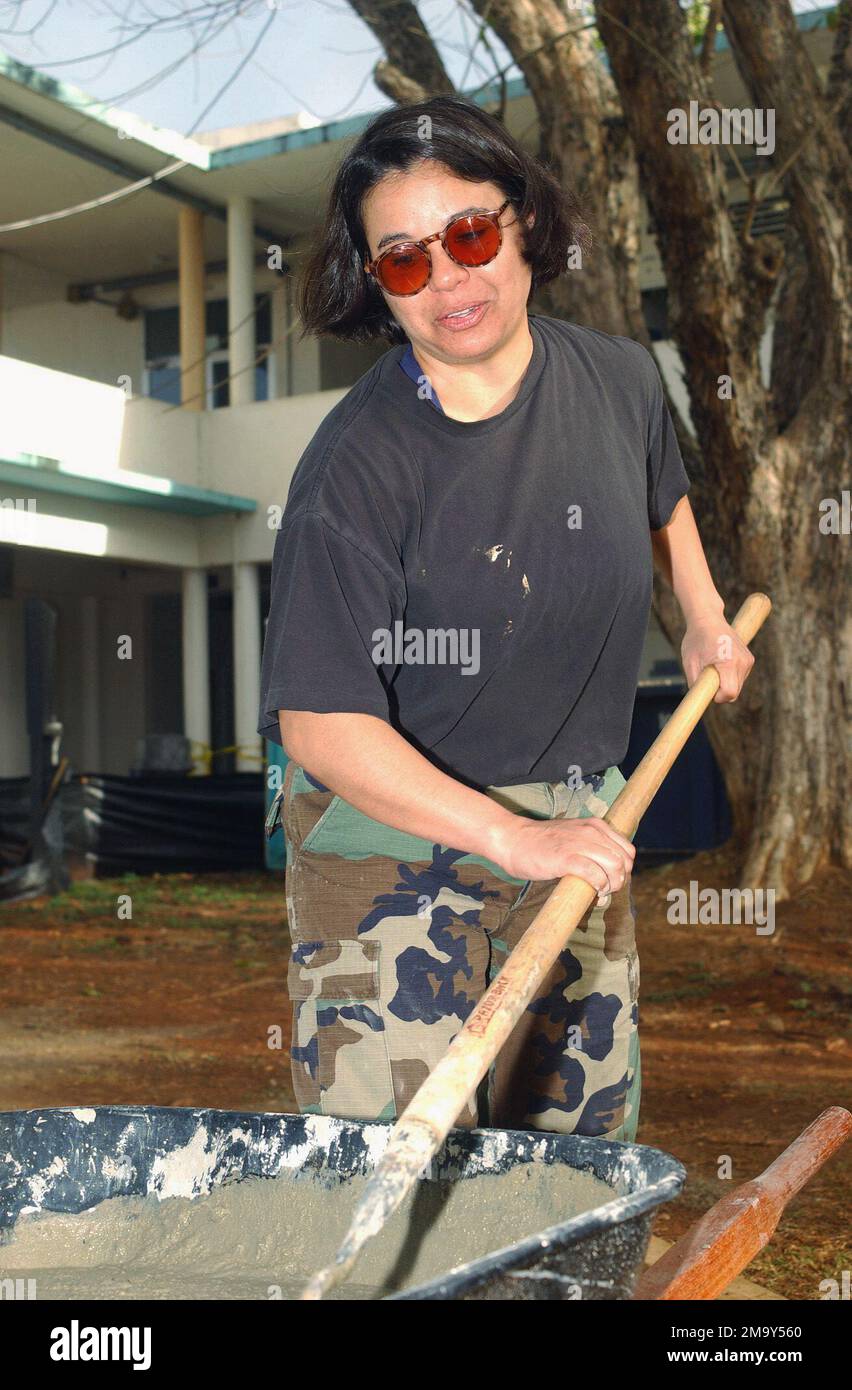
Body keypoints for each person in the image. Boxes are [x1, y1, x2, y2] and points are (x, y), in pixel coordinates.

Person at [257, 95, 754, 1142]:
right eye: (404, 261)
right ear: (375, 283)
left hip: (575, 826)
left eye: (471, 235)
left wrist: (704, 613)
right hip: (391, 846)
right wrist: (510, 837)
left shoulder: (619, 382)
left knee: (574, 1167)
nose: (447, 279)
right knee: (401, 1171)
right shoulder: (354, 468)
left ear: (523, 222)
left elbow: (661, 496)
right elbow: (320, 724)